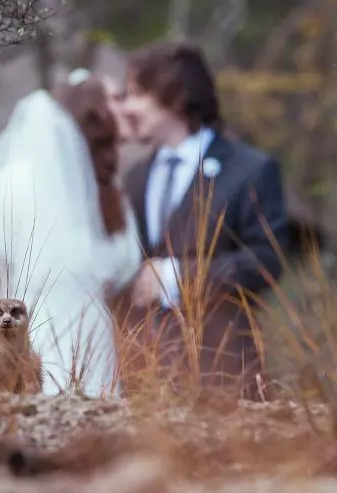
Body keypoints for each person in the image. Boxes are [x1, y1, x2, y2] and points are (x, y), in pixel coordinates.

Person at [113, 41, 291, 401]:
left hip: (223, 375)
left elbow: (267, 261)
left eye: (136, 94)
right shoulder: (133, 178)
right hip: (141, 381)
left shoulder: (250, 170)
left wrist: (177, 278)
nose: (126, 107)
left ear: (175, 96)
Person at [0, 69, 142, 397]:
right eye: (115, 98)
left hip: (99, 348)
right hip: (34, 344)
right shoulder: (16, 182)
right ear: (90, 111)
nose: (126, 107)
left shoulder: (112, 196)